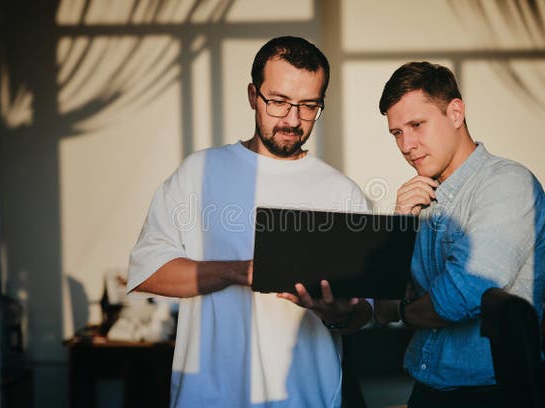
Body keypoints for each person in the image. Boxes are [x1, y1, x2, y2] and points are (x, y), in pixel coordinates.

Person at [127, 36, 372, 407]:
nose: (293, 119)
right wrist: (239, 271)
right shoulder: (200, 172)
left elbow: (364, 311)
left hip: (306, 399)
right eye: (278, 102)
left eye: (309, 106)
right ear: (252, 95)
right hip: (208, 398)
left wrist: (338, 315)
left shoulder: (343, 192)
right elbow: (148, 271)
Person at [374, 61, 545, 407]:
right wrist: (398, 223)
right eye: (397, 133)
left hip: (491, 395)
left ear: (455, 113)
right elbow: (382, 308)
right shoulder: (418, 201)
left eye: (416, 125)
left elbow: (458, 298)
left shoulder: (508, 184)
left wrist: (404, 310)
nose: (407, 144)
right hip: (426, 388)